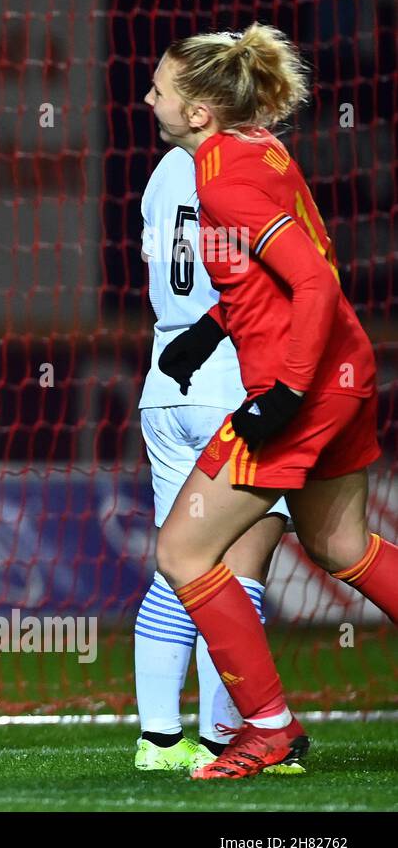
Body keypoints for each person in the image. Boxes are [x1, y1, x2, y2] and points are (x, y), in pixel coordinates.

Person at [146, 22, 398, 779]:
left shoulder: (221, 177)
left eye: (160, 88)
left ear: (198, 114)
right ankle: (263, 725)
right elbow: (279, 274)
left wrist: (285, 392)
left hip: (309, 386)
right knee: (344, 546)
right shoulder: (258, 149)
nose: (147, 97)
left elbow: (317, 282)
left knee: (182, 551)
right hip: (346, 373)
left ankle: (267, 729)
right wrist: (211, 331)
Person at [133, 143, 294, 772]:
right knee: (240, 568)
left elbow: (160, 258)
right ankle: (230, 735)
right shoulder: (242, 164)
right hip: (234, 374)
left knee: (182, 562)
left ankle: (161, 739)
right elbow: (260, 276)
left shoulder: (163, 172)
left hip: (165, 382)